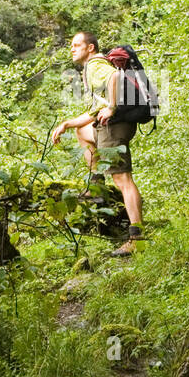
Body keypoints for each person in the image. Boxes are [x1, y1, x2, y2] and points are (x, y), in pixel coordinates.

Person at [50, 31, 145, 256]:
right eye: (71, 45)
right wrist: (67, 124)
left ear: (90, 48)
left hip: (114, 126)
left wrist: (112, 107)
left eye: (76, 45)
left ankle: (137, 237)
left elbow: (115, 78)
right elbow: (92, 114)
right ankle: (96, 187)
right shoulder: (91, 68)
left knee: (123, 179)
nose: (72, 49)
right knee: (82, 132)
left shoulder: (95, 65)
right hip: (110, 124)